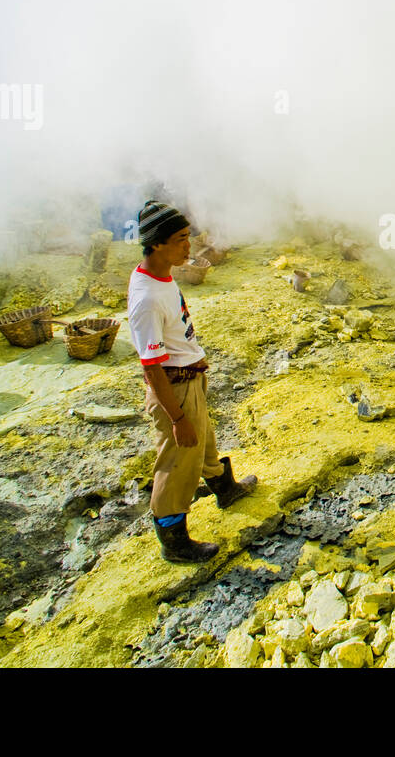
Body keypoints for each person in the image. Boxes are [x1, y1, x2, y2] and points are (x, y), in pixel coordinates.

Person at [126, 199, 257, 563]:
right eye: (182, 239)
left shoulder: (160, 275)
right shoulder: (147, 299)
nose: (189, 246)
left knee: (204, 440)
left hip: (188, 378)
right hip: (173, 387)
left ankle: (225, 488)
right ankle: (174, 540)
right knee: (178, 460)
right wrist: (177, 417)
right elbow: (151, 368)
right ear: (156, 243)